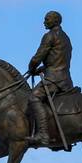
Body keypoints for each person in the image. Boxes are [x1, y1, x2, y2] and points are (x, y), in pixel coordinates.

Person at [26, 10, 74, 149]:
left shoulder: (49, 36)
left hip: (54, 79)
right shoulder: (66, 37)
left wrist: (32, 67)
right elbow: (58, 60)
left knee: (33, 98)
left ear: (55, 21)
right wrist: (44, 68)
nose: (44, 22)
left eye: (47, 19)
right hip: (65, 79)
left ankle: (43, 135)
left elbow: (38, 57)